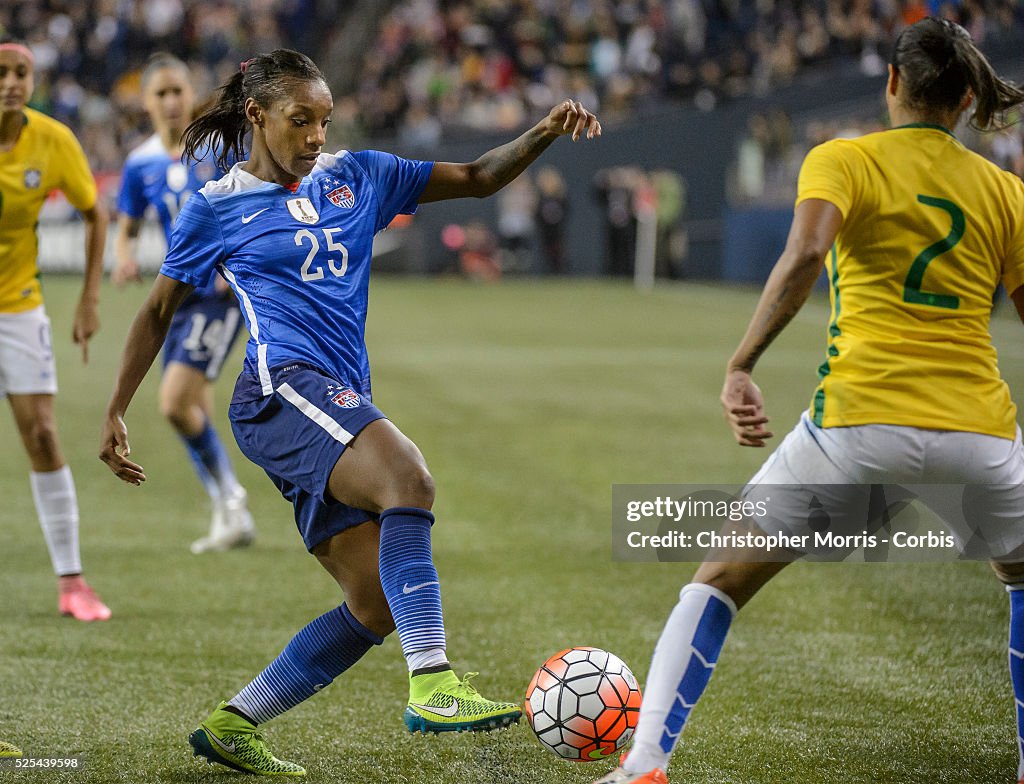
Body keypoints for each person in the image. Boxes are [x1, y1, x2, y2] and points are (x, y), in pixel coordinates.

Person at [99, 49, 601, 776]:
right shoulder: (215, 207)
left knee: (374, 603)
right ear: (257, 115)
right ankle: (433, 683)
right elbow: (156, 311)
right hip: (279, 392)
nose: (315, 136)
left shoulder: (359, 175)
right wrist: (117, 408)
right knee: (409, 479)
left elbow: (479, 176)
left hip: (335, 401)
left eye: (325, 121)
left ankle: (234, 722)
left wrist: (544, 130)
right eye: (299, 120)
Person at [594, 18, 1024, 784]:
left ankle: (646, 765)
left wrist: (742, 363)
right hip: (979, 433)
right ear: (966, 99)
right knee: (1021, 579)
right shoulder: (1006, 190)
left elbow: (805, 255)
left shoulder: (844, 158)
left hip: (859, 423)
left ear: (891, 82)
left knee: (718, 581)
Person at [114, 53, 254, 554]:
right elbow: (127, 227)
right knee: (194, 407)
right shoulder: (140, 163)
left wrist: (236, 259)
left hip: (218, 294)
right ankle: (228, 513)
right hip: (176, 297)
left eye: (179, 91)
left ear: (191, 94)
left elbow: (251, 200)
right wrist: (123, 257)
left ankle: (231, 498)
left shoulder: (218, 146)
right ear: (146, 102)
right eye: (162, 93)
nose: (172, 101)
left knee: (174, 403)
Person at [0, 39, 111, 622]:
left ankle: (72, 582)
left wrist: (89, 299)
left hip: (18, 307)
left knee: (42, 434)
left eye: (21, 72)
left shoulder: (53, 140)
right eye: (1, 72)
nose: (11, 82)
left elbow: (96, 213)